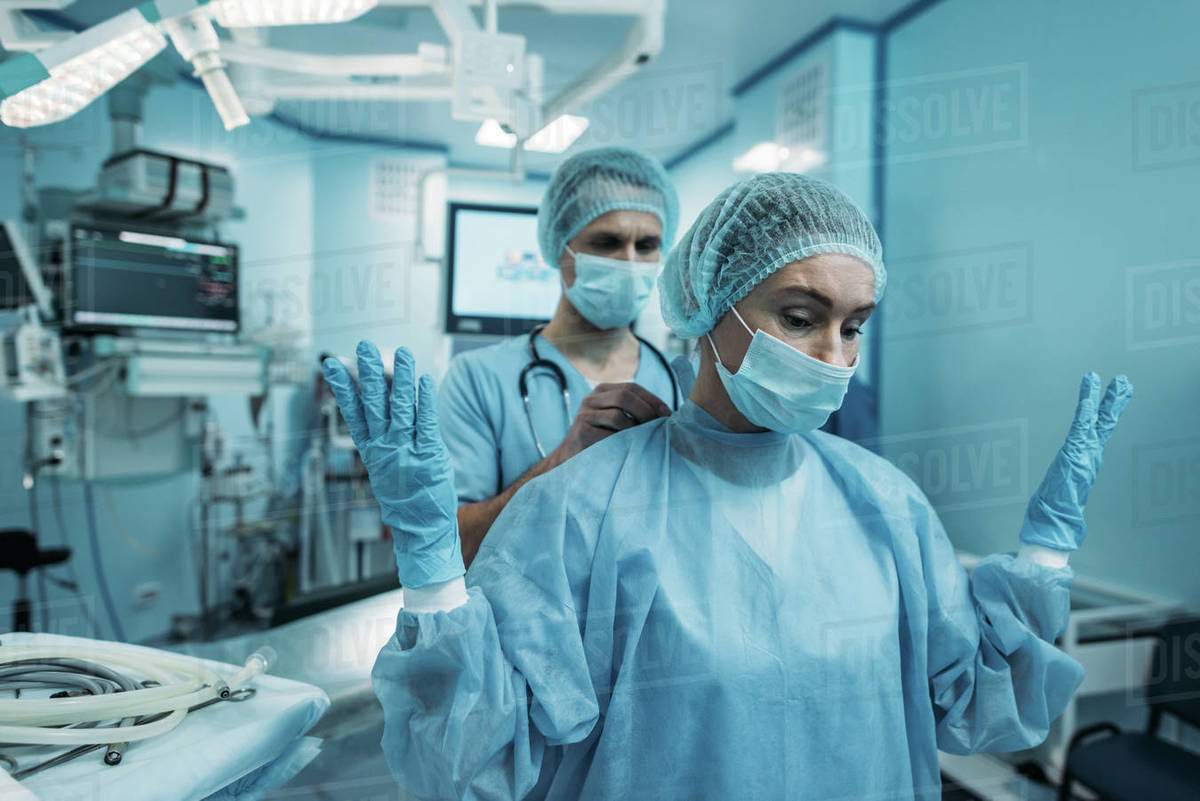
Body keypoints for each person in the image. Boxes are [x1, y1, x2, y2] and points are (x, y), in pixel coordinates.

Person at [321, 173, 1134, 801]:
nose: (833, 356)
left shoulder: (886, 505)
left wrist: (1045, 552)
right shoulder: (579, 507)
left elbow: (977, 702)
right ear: (711, 305)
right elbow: (471, 759)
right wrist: (433, 576)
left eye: (854, 325)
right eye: (798, 317)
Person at [438, 146, 685, 567]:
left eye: (646, 246)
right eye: (607, 243)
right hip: (520, 611)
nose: (630, 262)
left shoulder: (682, 381)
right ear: (558, 247)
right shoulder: (478, 379)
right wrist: (560, 462)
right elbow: (452, 548)